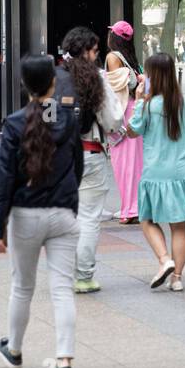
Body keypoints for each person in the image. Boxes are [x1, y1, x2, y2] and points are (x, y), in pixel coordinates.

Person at [0, 54, 82, 368]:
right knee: (62, 290)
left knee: (22, 287)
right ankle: (64, 363)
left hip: (25, 216)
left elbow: (5, 179)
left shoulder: (15, 123)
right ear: (53, 83)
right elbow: (78, 166)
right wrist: (71, 200)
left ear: (24, 85)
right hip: (63, 214)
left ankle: (14, 349)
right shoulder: (68, 119)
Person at [124, 53, 185, 293]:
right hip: (184, 172)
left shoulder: (148, 106)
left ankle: (164, 259)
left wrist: (138, 100)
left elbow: (131, 132)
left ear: (152, 77)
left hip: (155, 173)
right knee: (178, 227)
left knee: (147, 220)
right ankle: (177, 278)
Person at [54, 27, 122, 294]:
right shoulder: (96, 79)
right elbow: (113, 120)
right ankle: (83, 277)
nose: (97, 55)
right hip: (89, 153)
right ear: (86, 51)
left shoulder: (54, 76)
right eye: (95, 51)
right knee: (89, 218)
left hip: (59, 156)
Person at [104, 21, 144, 225]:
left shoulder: (113, 57)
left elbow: (115, 85)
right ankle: (135, 206)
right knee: (136, 162)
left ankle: (129, 209)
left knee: (123, 163)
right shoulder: (131, 59)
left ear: (115, 37)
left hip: (121, 112)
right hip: (134, 111)